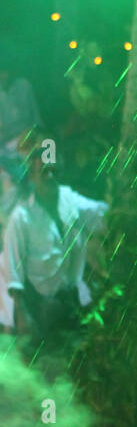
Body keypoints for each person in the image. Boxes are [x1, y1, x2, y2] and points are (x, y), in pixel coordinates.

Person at [0, 141, 107, 362]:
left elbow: (99, 215)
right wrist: (21, 315)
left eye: (53, 170)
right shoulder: (21, 217)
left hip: (69, 300)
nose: (49, 176)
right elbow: (13, 269)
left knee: (74, 360)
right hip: (37, 305)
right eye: (43, 171)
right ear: (32, 175)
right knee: (43, 364)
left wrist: (121, 210)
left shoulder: (69, 199)